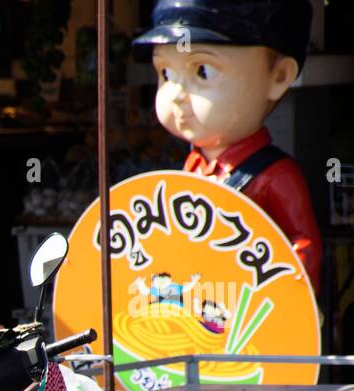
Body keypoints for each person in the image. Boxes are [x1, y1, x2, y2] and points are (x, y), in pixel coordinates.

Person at [134, 0, 321, 290]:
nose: (176, 95)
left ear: (279, 76)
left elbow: (303, 244)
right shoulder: (192, 168)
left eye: (203, 72)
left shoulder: (275, 176)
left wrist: (290, 300)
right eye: (166, 74)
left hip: (252, 316)